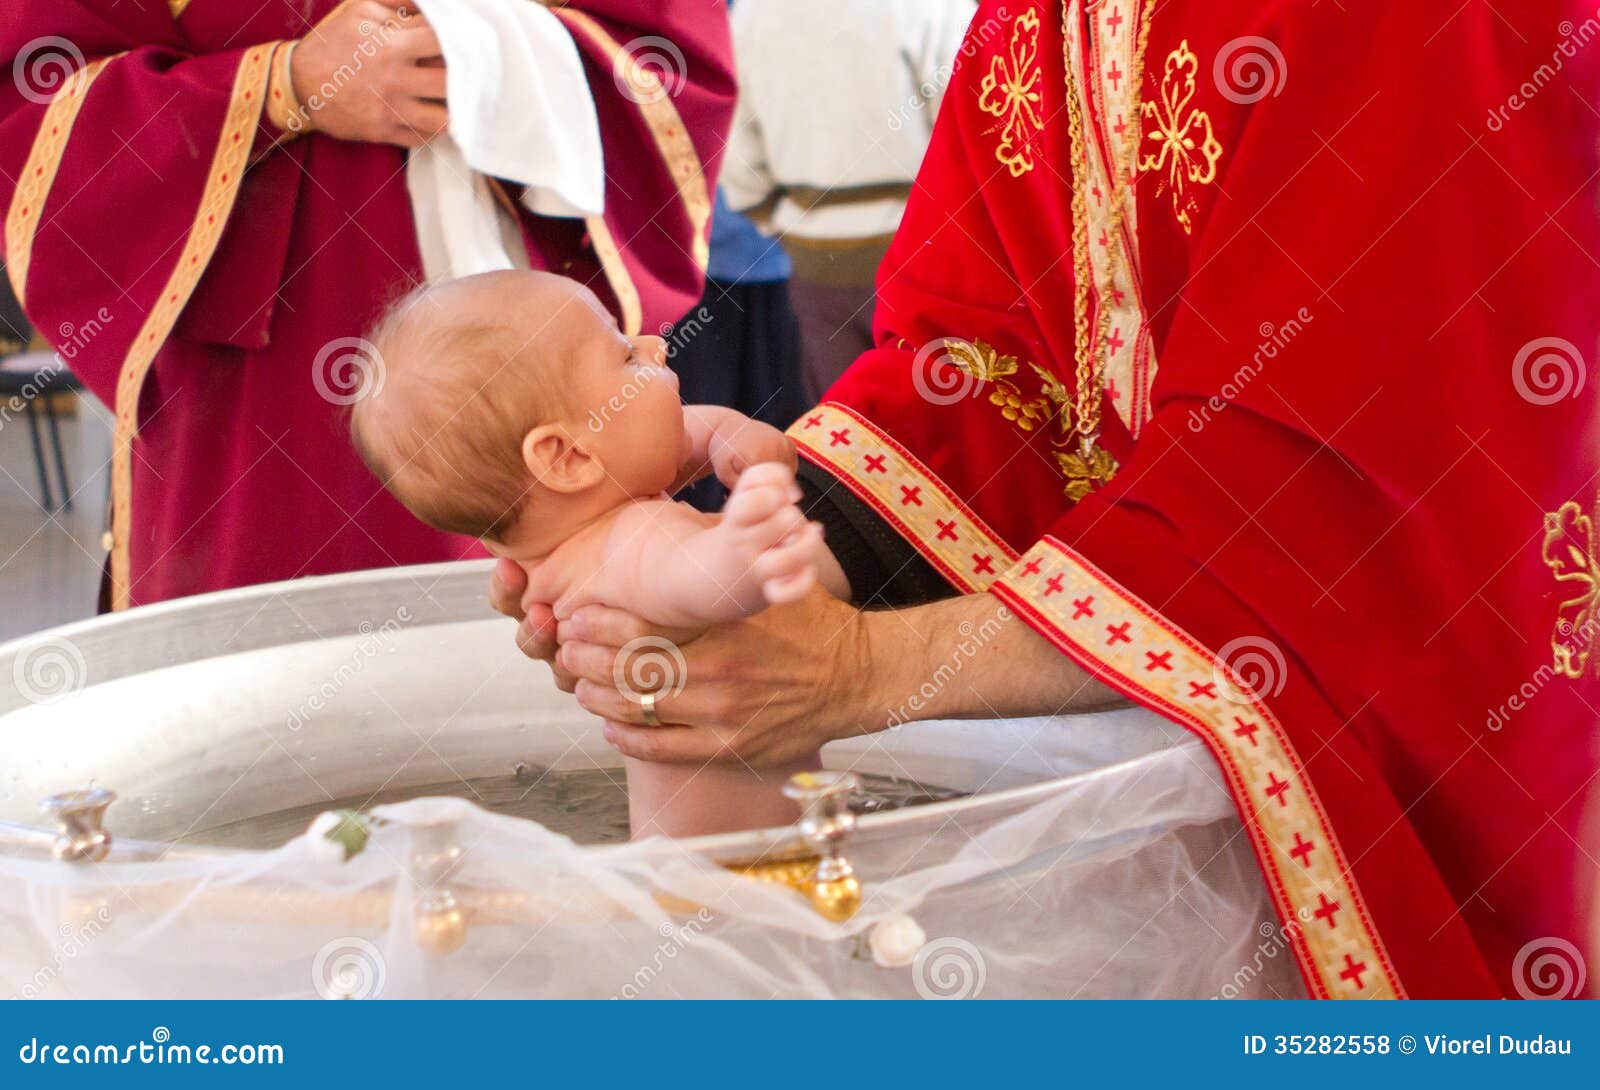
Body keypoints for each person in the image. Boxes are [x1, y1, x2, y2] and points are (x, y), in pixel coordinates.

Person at [494, 1, 1600, 999]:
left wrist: (857, 670)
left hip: (1476, 698)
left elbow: (1321, 485)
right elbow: (984, 359)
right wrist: (742, 567)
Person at [0, 0, 734, 609]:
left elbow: (669, 54)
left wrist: (484, 54)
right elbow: (31, 104)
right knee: (261, 707)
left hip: (518, 341)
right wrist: (278, 85)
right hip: (253, 383)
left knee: (545, 691)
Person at [352, 270, 846, 836]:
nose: (654, 345)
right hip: (733, 873)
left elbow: (686, 430)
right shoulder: (623, 548)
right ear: (566, 457)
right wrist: (750, 550)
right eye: (626, 358)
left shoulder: (573, 519)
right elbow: (698, 580)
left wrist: (727, 439)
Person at [721, 0, 976, 402]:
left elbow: (735, 153)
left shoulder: (754, 12)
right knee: (939, 420)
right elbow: (969, 119)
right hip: (927, 260)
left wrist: (780, 219)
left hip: (817, 262)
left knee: (845, 431)